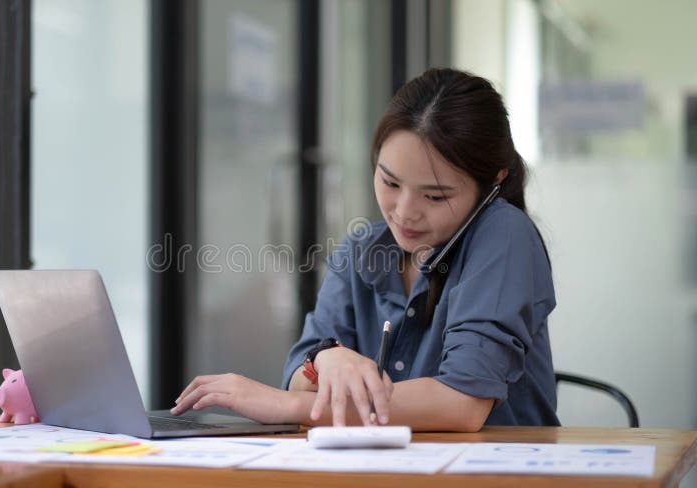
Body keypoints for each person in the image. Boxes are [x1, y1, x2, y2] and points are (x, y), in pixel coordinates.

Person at [170, 68, 558, 431]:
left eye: (435, 196)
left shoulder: (505, 234)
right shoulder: (362, 248)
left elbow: (463, 403)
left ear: (494, 182)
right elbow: (298, 378)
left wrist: (286, 408)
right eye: (390, 182)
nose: (405, 212)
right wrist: (328, 357)